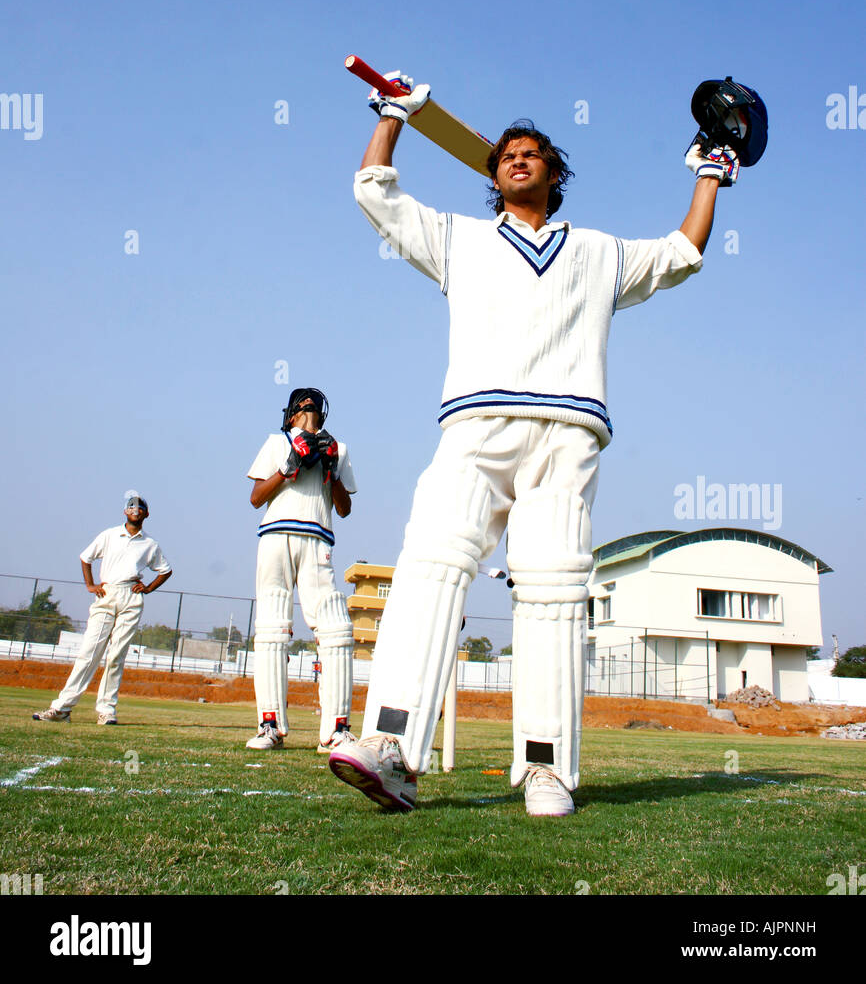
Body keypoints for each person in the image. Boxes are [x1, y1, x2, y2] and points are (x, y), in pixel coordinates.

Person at [329, 77, 733, 815]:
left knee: (551, 591)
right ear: (492, 175)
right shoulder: (460, 239)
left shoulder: (601, 252)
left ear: (554, 173)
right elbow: (375, 194)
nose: (519, 160)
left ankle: (546, 768)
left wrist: (710, 173)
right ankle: (390, 748)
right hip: (474, 430)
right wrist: (394, 116)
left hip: (568, 434)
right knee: (429, 569)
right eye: (508, 154)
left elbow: (682, 252)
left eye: (533, 153)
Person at [246, 388, 358, 753]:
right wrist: (289, 465)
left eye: (314, 405)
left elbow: (344, 509)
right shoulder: (276, 443)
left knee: (337, 630)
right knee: (271, 629)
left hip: (318, 539)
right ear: (292, 415)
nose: (309, 408)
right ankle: (270, 725)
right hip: (275, 536)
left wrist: (331, 469)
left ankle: (335, 730)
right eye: (303, 405)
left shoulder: (337, 449)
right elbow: (256, 498)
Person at [33, 492, 172, 726]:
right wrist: (90, 585)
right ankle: (62, 708)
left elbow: (165, 570)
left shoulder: (150, 544)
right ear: (125, 512)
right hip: (106, 594)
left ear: (147, 514)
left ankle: (107, 710)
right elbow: (86, 558)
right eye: (131, 507)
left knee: (117, 655)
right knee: (89, 651)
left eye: (140, 508)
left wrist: (148, 588)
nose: (135, 510)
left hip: (131, 597)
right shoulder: (109, 535)